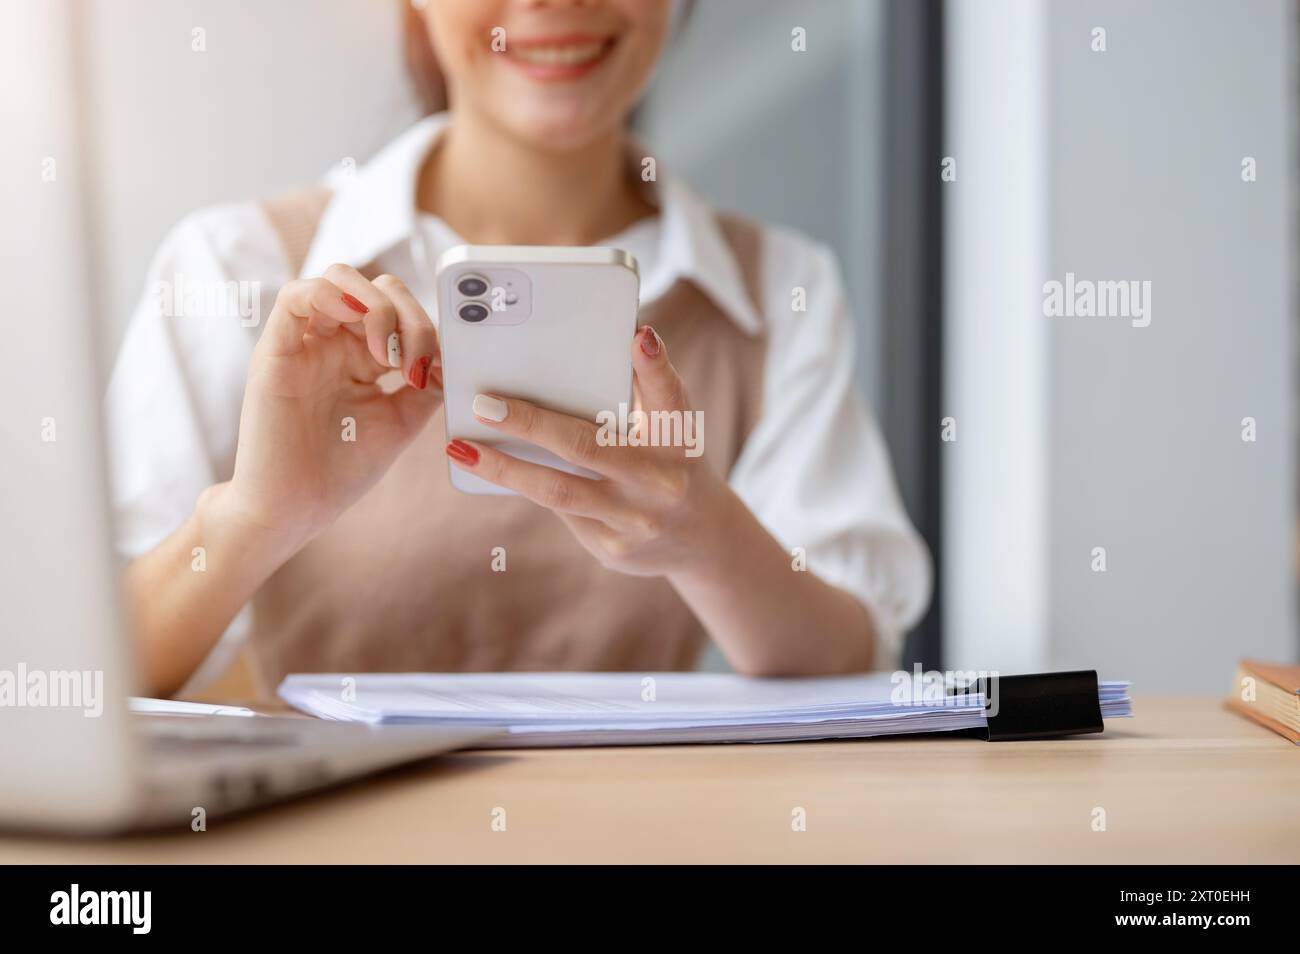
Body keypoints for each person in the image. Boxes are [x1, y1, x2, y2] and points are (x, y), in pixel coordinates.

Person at [108, 0, 931, 697]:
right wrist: (257, 520)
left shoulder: (779, 292)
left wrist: (710, 537)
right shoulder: (237, 270)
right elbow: (92, 684)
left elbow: (849, 670)